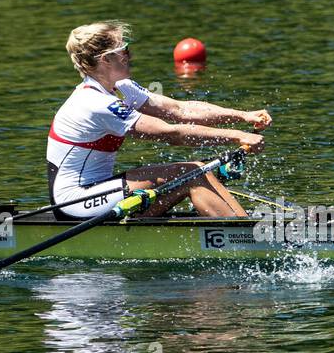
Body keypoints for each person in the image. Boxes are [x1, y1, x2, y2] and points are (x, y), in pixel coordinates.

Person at [48, 22, 270, 219]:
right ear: (106, 59)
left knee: (199, 170)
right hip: (76, 201)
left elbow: (180, 110)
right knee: (189, 172)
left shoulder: (121, 89)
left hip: (102, 191)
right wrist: (237, 136)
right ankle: (243, 238)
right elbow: (171, 134)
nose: (130, 56)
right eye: (125, 50)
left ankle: (242, 227)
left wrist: (242, 116)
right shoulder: (94, 102)